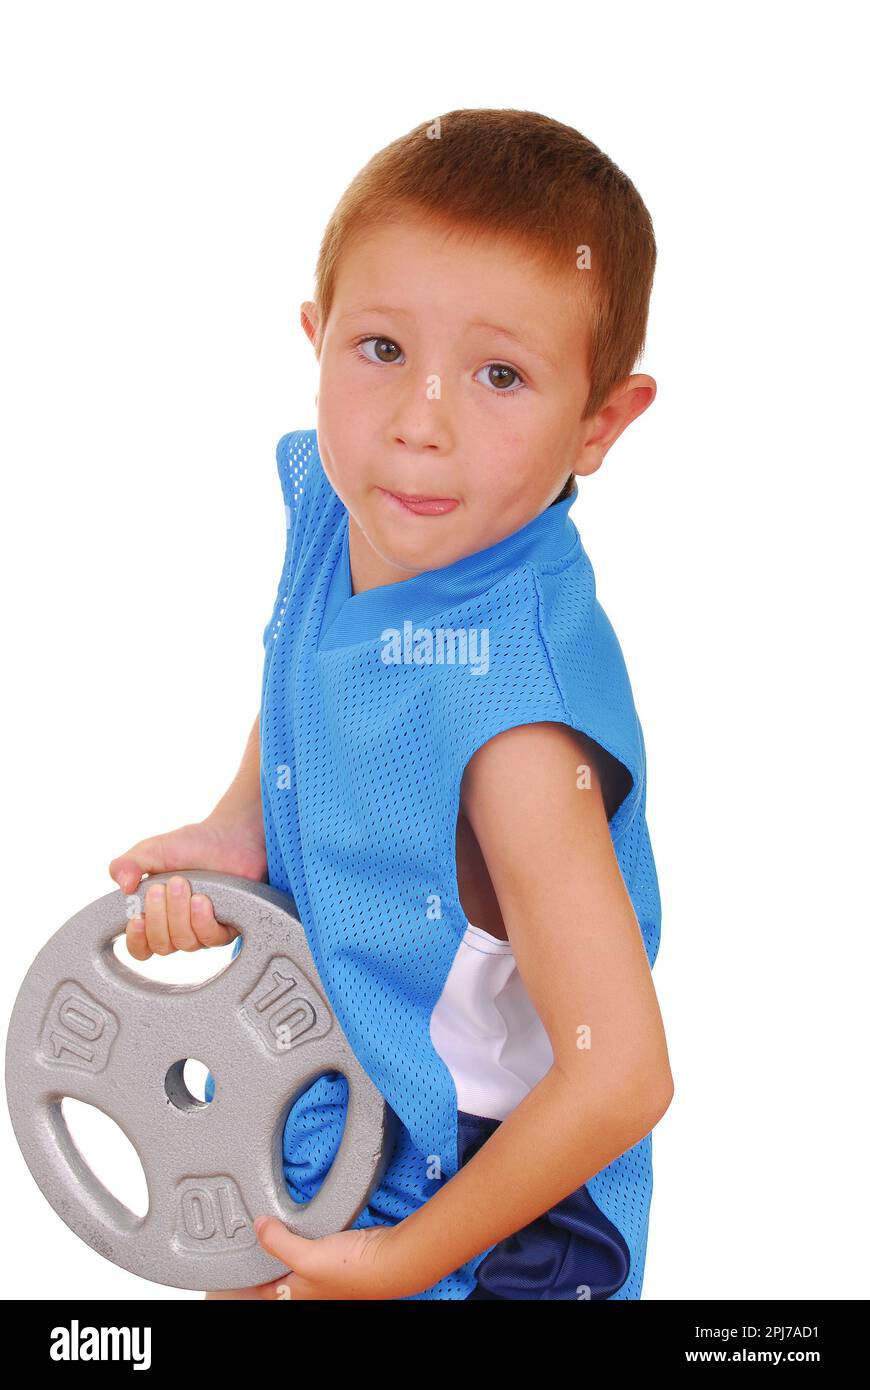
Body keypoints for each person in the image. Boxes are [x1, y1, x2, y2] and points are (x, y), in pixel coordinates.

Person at [109, 108, 673, 1300]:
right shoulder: (347, 510)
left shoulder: (518, 731)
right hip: (332, 1075)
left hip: (484, 1190)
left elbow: (618, 1074)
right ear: (314, 343)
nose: (422, 420)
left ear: (599, 423)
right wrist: (240, 824)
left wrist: (406, 1261)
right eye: (379, 350)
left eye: (501, 374)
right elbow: (316, 658)